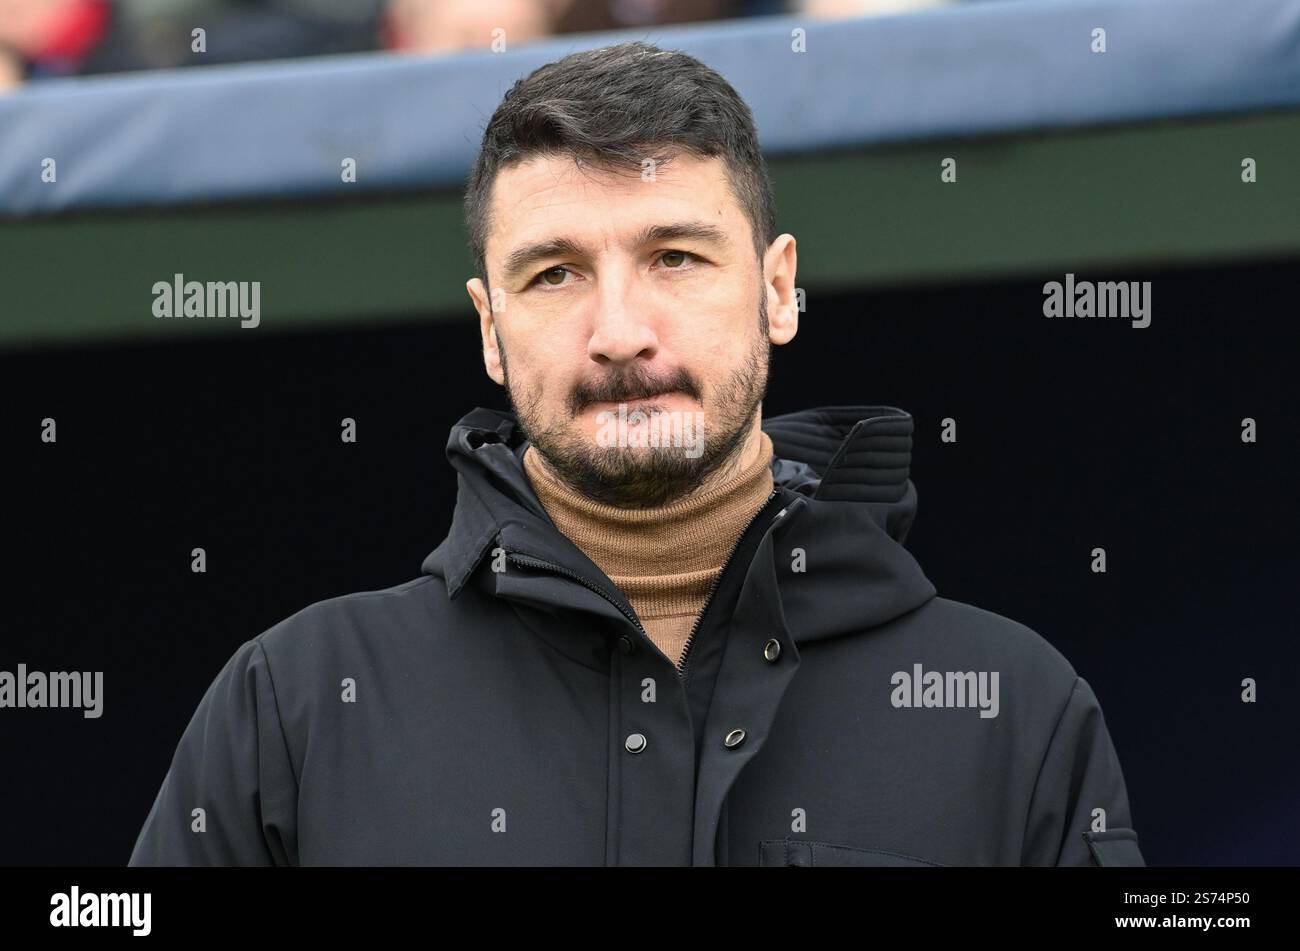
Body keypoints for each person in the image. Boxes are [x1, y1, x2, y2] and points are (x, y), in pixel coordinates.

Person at [129, 40, 1144, 866]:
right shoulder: (295, 706)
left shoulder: (1012, 709)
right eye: (556, 273)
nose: (620, 330)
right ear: (489, 329)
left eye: (675, 257)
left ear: (778, 289)